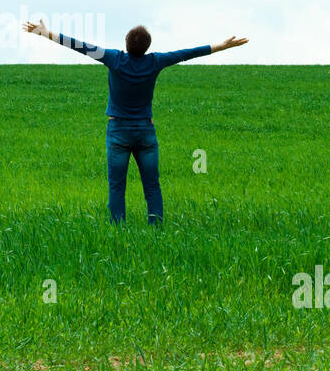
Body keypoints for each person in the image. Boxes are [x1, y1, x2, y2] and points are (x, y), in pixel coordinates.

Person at [22, 20, 248, 223]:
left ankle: (118, 229)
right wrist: (222, 46)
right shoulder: (155, 62)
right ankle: (156, 229)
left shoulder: (114, 58)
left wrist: (46, 33)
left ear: (126, 43)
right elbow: (186, 53)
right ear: (147, 47)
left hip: (118, 131)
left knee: (117, 186)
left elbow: (79, 45)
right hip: (145, 132)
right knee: (152, 186)